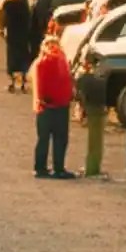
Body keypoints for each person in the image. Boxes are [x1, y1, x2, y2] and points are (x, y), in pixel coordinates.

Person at [30, 37, 75, 179]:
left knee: (44, 139)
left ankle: (40, 168)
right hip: (58, 105)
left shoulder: (39, 62)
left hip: (44, 106)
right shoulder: (60, 59)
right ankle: (58, 168)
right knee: (59, 138)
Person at [0, 0, 33, 92]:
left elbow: (1, 16)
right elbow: (29, 18)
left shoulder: (8, 4)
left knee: (12, 57)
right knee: (23, 56)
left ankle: (12, 82)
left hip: (12, 34)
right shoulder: (24, 4)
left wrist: (1, 29)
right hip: (23, 35)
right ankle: (23, 82)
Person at [76, 60, 106, 178]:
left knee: (94, 141)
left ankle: (91, 167)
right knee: (96, 141)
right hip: (99, 109)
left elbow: (80, 95)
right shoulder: (102, 77)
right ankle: (93, 167)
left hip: (90, 108)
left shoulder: (84, 79)